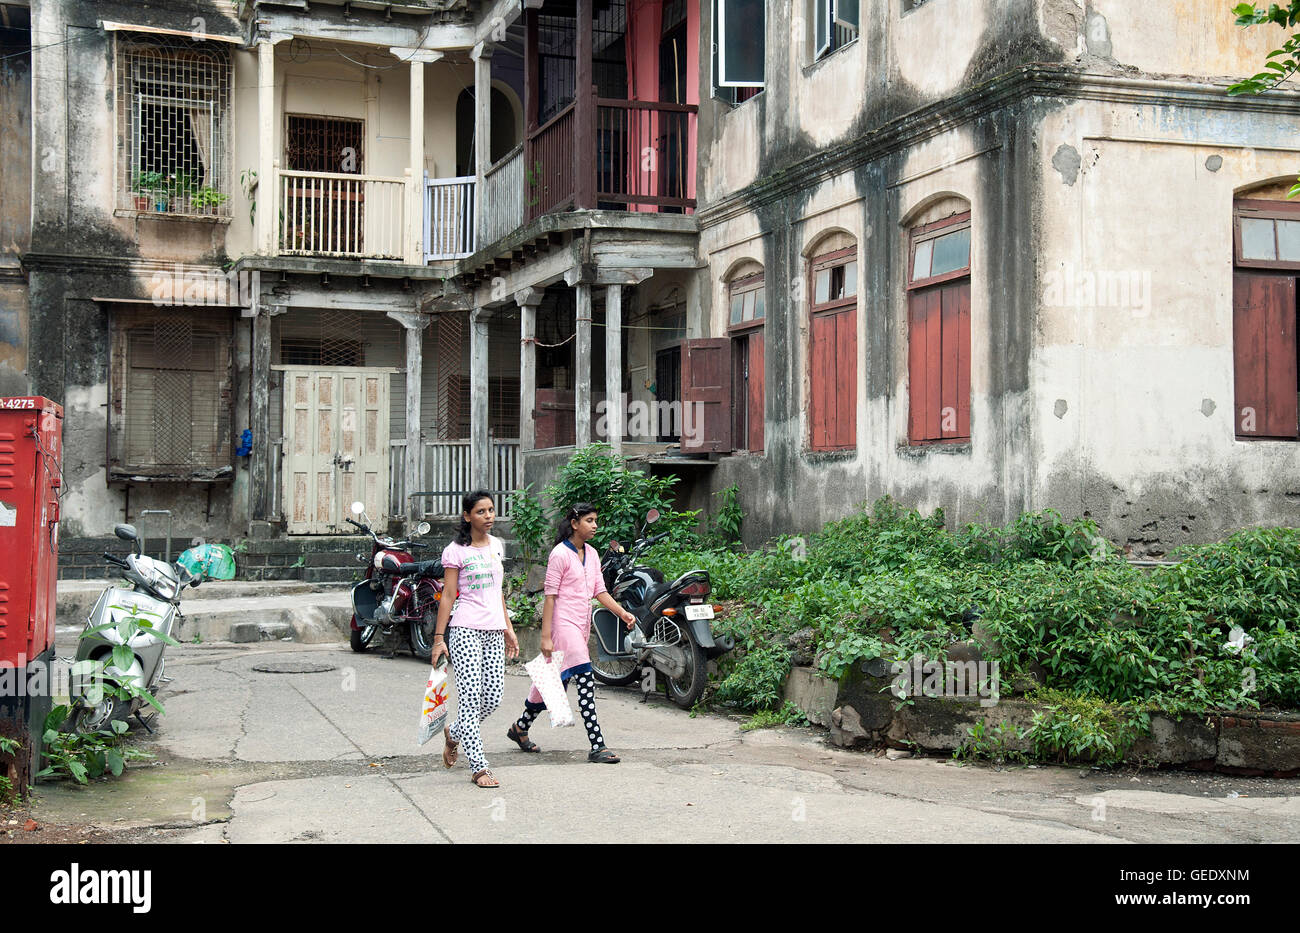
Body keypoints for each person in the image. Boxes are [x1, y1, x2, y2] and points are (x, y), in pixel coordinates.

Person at [506, 503, 637, 764]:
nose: (595, 525)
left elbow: (600, 591)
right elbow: (550, 596)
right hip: (562, 624)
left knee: (553, 684)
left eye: (596, 520)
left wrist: (622, 613)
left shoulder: (593, 553)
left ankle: (520, 727)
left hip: (580, 624)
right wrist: (545, 636)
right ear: (575, 523)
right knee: (585, 681)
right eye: (589, 520)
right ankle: (597, 745)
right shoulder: (559, 554)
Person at [432, 491, 519, 788]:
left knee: (492, 698)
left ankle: (454, 733)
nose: (489, 516)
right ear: (467, 516)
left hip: (494, 630)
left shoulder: (496, 545)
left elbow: (497, 592)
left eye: (491, 510)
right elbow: (448, 594)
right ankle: (480, 767)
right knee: (469, 699)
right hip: (465, 629)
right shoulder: (455, 551)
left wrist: (508, 627)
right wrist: (438, 638)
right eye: (481, 511)